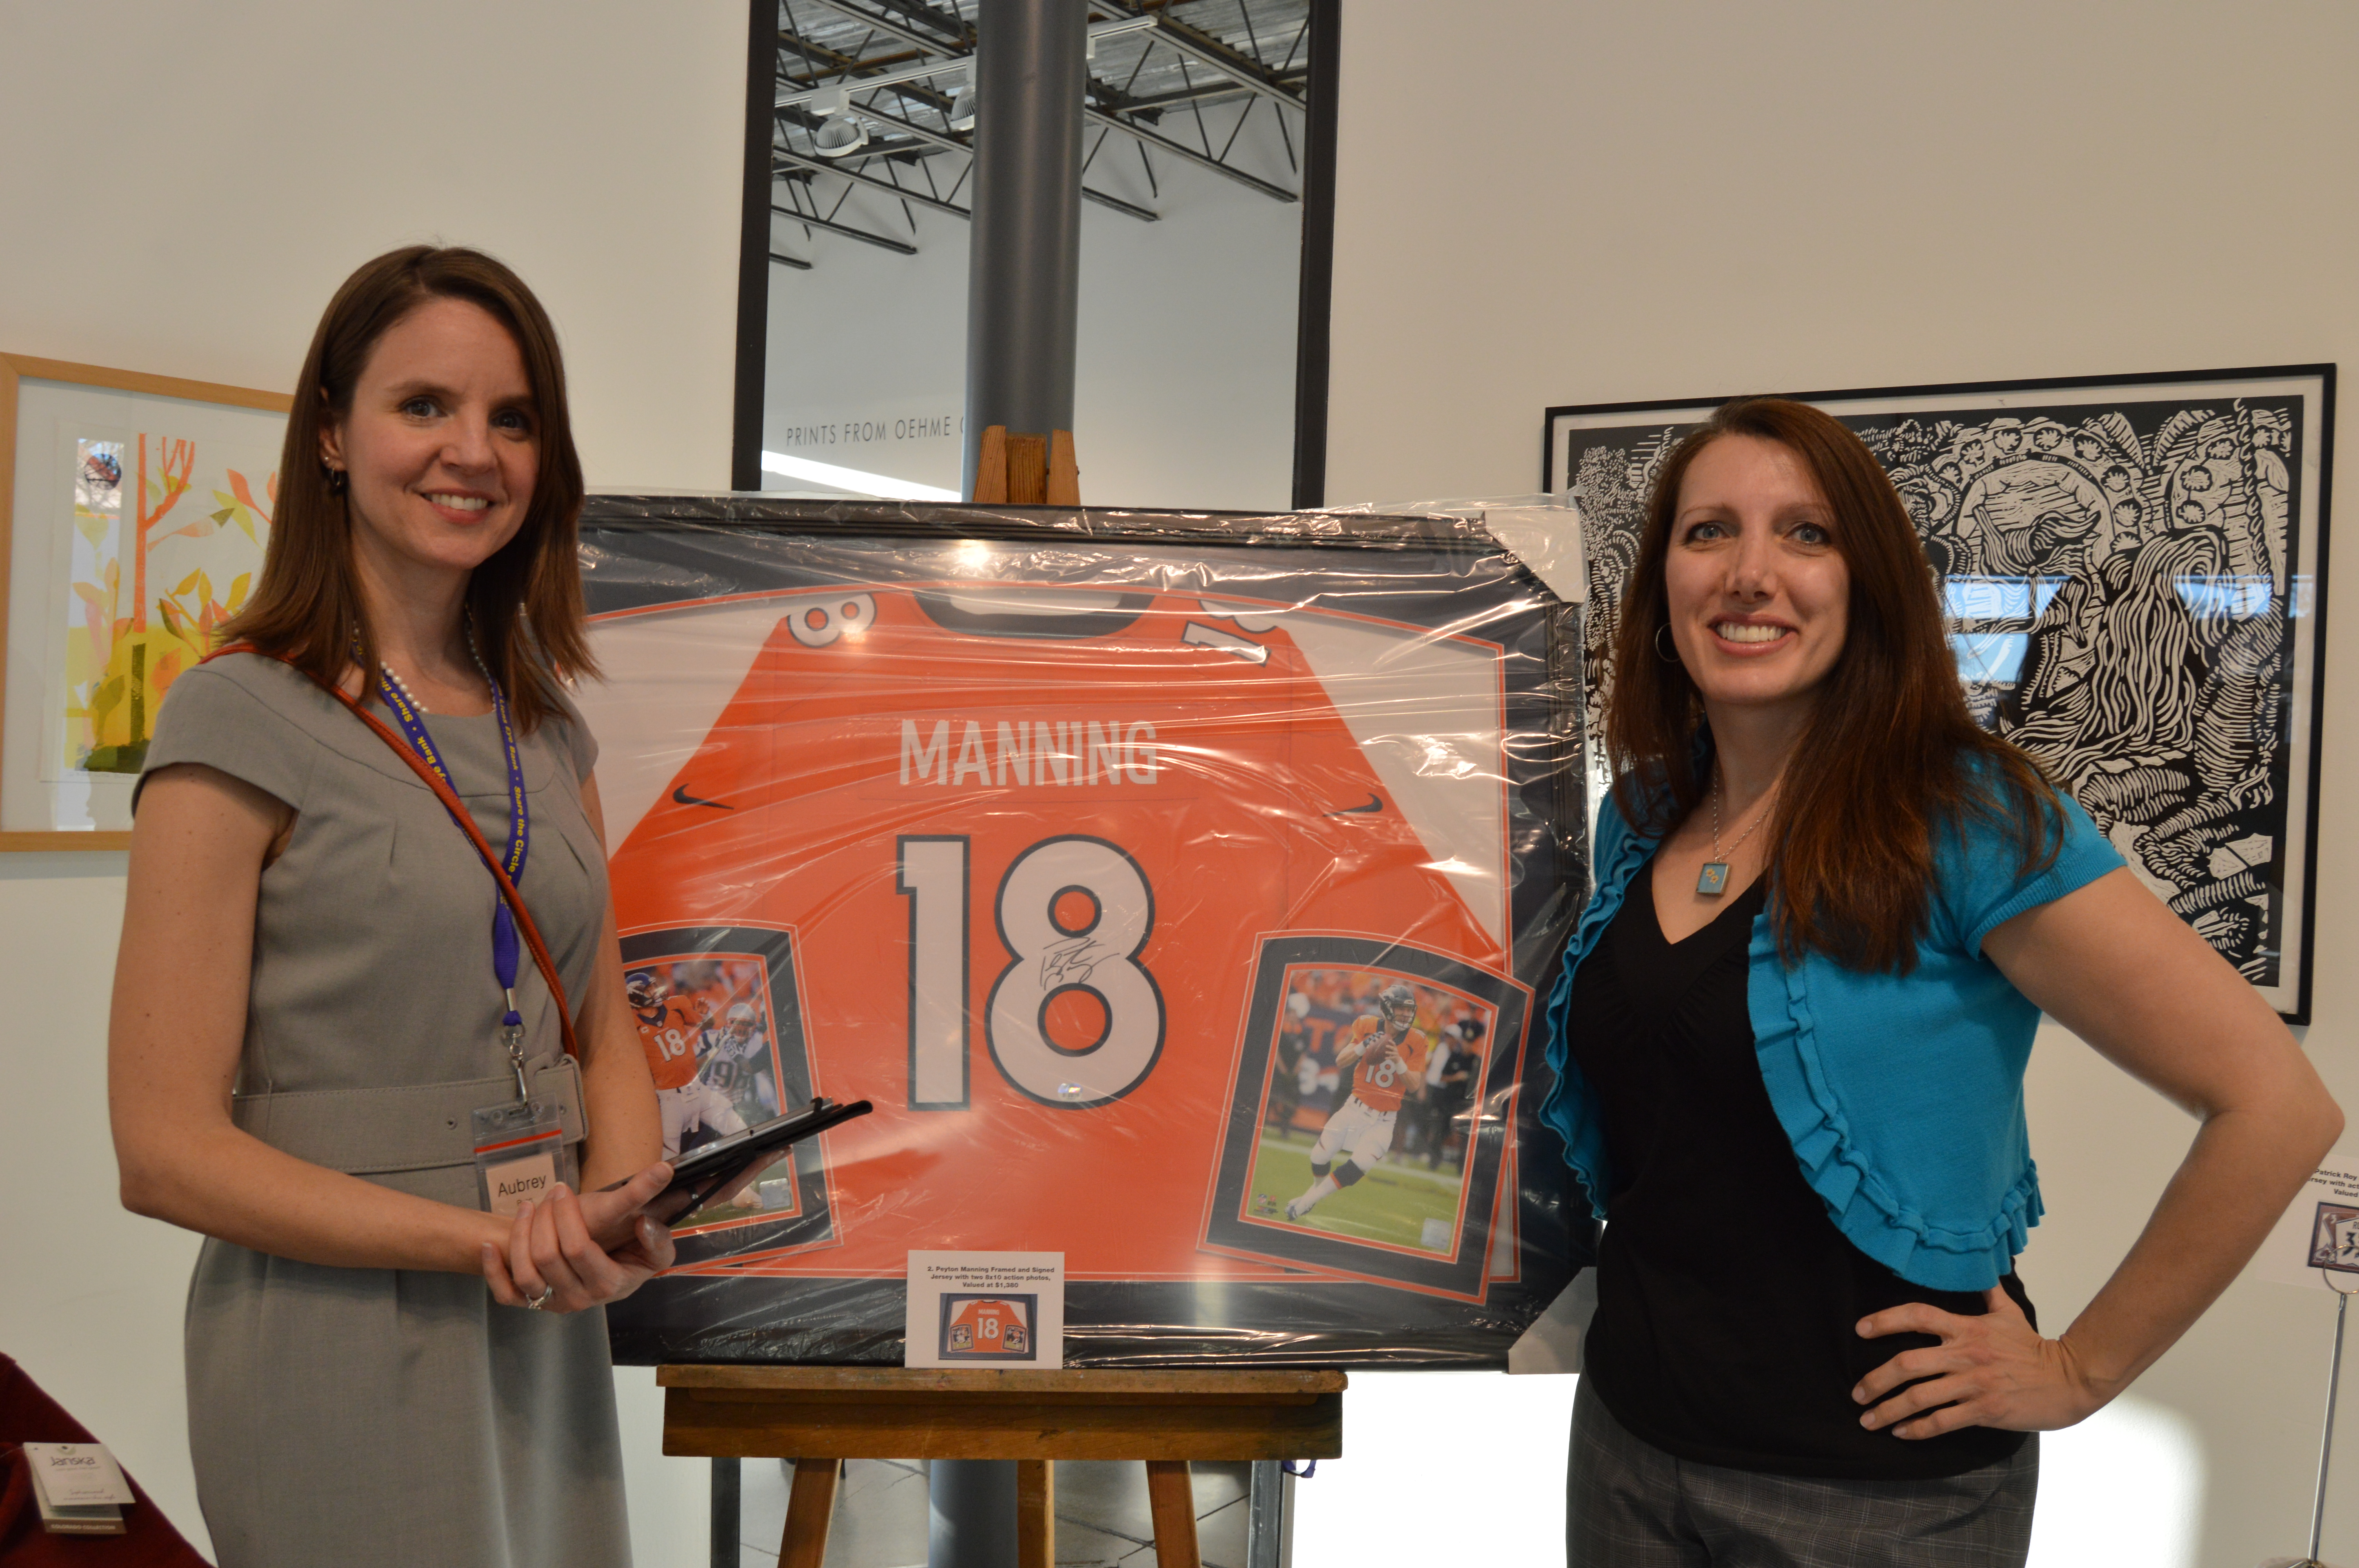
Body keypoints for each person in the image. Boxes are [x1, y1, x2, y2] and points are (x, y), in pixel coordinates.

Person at [1541, 397, 2340, 1565]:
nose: (1751, 574)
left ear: (1869, 583)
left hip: (1880, 1504)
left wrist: (2078, 1371)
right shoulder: (1643, 812)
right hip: (1627, 1456)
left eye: (1806, 535)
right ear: (1663, 582)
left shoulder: (1969, 819)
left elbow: (2279, 1107)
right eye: (1709, 532)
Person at [107, 246, 675, 1568]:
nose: (471, 451)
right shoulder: (236, 713)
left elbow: (601, 1030)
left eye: (512, 417)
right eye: (424, 406)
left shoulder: (551, 732)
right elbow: (162, 1148)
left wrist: (627, 1217)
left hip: (541, 1321)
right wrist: (486, 1241)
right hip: (338, 1332)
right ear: (329, 434)